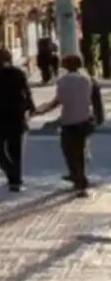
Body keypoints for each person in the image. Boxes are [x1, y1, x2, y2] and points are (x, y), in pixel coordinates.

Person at [34, 55, 104, 197]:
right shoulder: (89, 80)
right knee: (81, 149)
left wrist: (42, 110)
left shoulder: (63, 81)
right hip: (85, 119)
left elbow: (59, 101)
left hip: (69, 121)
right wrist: (98, 118)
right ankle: (80, 178)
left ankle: (78, 178)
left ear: (66, 66)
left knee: (69, 150)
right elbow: (96, 101)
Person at [0, 48, 36, 192]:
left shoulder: (11, 73)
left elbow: (26, 91)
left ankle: (14, 178)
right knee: (7, 149)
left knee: (3, 149)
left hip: (7, 114)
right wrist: (31, 107)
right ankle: (14, 176)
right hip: (9, 114)